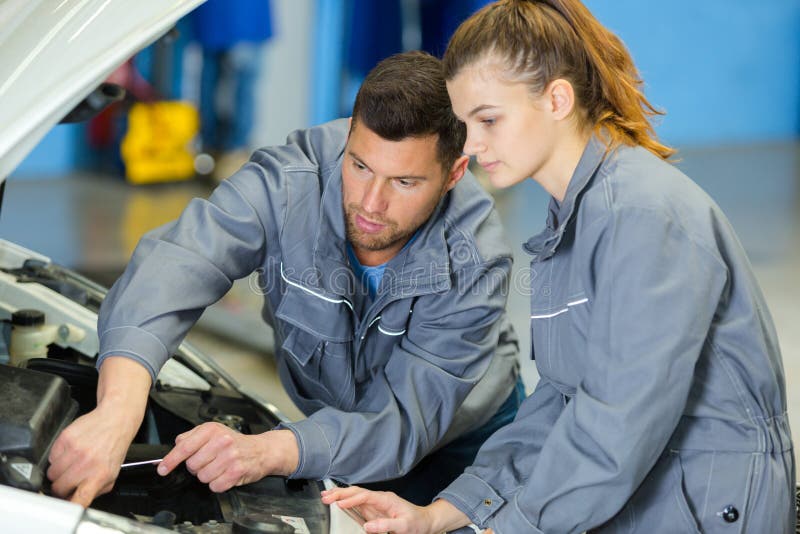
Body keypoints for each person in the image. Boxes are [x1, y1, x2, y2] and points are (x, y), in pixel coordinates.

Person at [322, 1, 796, 532]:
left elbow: (617, 428)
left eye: (488, 120)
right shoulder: (574, 216)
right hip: (644, 496)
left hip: (705, 509)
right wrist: (445, 514)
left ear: (557, 99)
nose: (472, 145)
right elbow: (558, 402)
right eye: (464, 124)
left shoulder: (640, 215)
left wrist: (507, 527)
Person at [46, 51, 522, 508]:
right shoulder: (291, 181)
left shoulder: (473, 261)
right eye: (359, 166)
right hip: (329, 432)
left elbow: (401, 422)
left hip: (461, 446)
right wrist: (117, 412)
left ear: (455, 172)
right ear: (349, 135)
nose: (371, 204)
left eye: (404, 182)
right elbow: (181, 262)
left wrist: (265, 451)